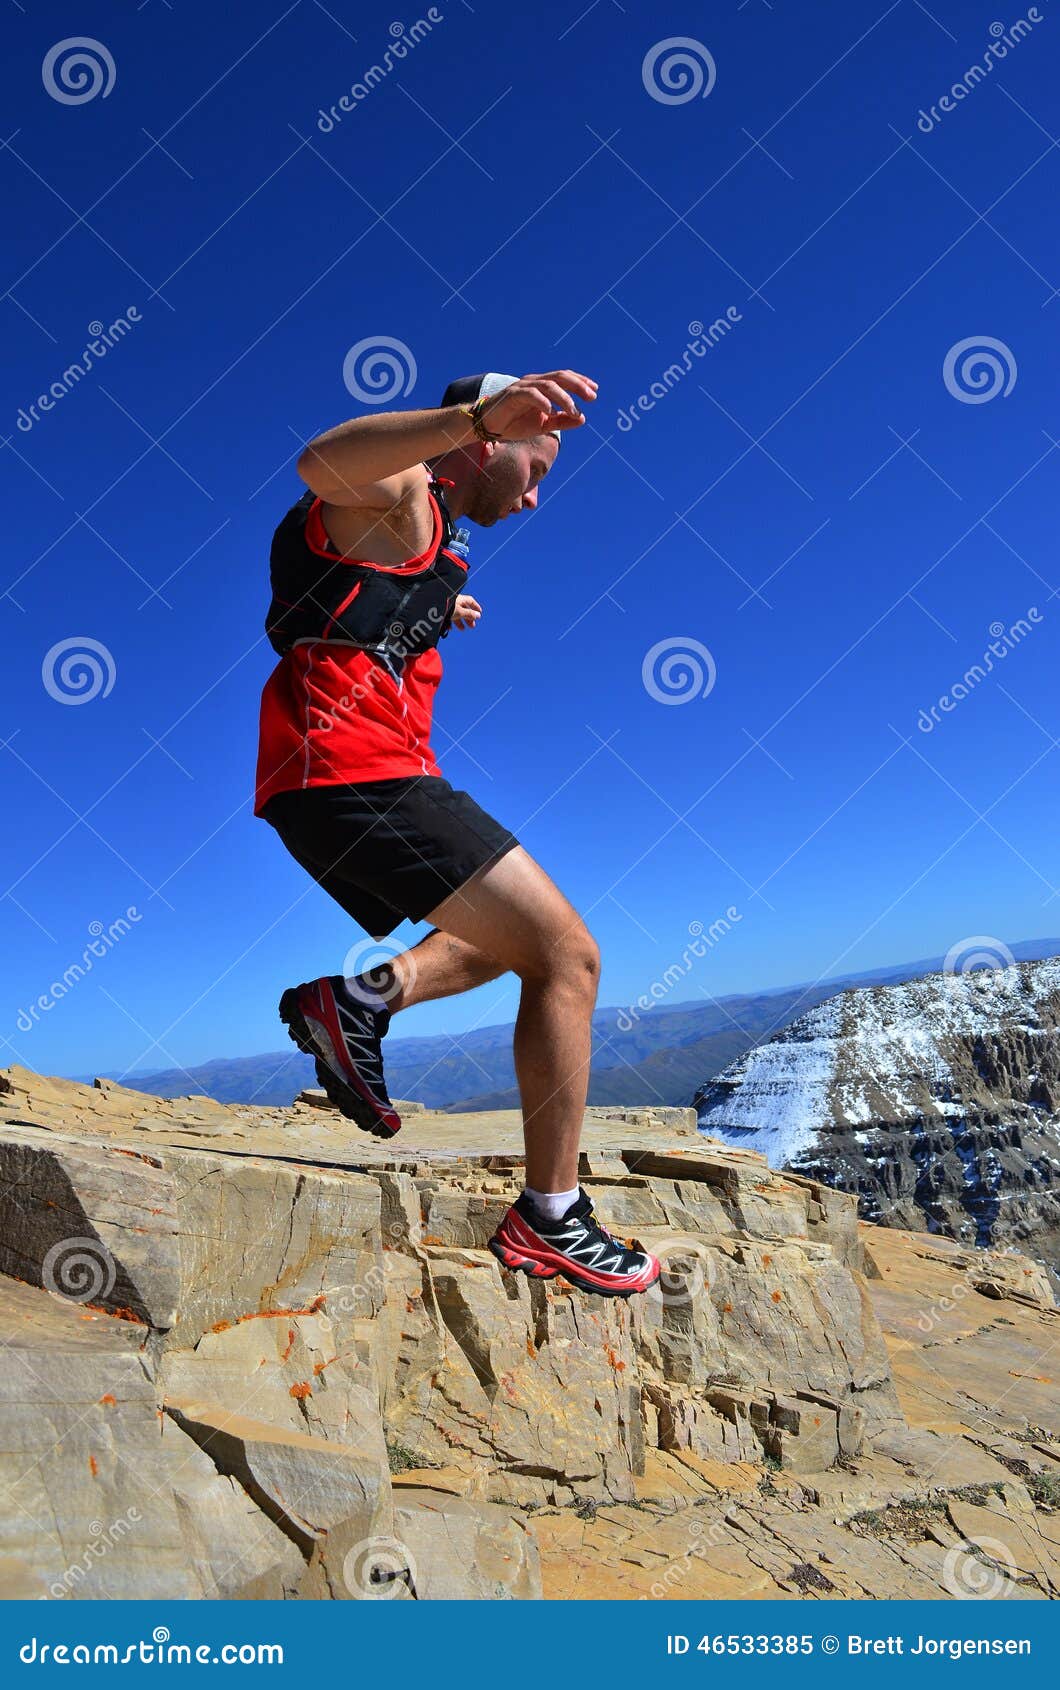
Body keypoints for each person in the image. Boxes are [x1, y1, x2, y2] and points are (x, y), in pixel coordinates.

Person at [254, 369, 660, 1298]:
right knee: (571, 959)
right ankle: (551, 1218)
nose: (537, 491)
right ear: (488, 444)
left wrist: (440, 605)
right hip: (352, 771)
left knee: (507, 941)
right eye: (535, 462)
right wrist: (471, 415)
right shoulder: (404, 492)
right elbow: (322, 463)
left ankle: (358, 1001)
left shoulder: (433, 544)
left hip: (341, 780)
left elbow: (361, 595)